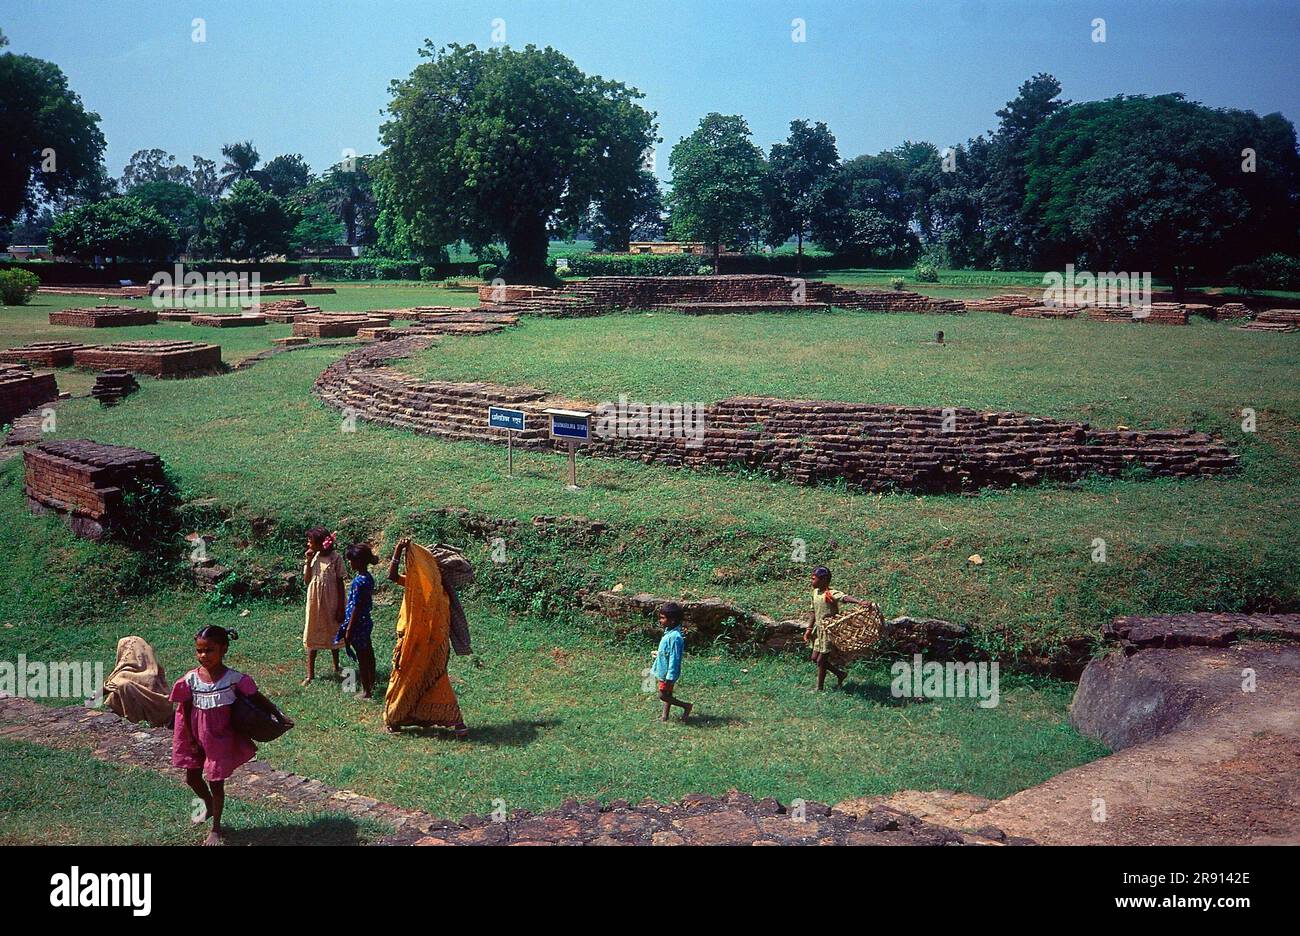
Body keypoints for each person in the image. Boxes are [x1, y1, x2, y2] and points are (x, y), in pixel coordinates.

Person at [170, 625, 292, 846]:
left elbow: (257, 698)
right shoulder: (190, 680)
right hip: (193, 735)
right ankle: (206, 804)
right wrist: (190, 739)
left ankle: (216, 828)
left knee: (216, 782)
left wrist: (278, 715)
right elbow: (184, 710)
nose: (203, 656)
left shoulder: (234, 679)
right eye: (199, 651)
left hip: (219, 738)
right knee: (192, 777)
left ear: (223, 649)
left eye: (209, 650)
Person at [384, 538, 470, 737]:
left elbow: (392, 576)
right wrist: (398, 551)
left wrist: (399, 551)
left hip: (418, 645)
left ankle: (396, 717)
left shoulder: (436, 591)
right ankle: (454, 722)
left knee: (407, 679)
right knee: (435, 681)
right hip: (425, 645)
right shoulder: (429, 588)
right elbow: (392, 576)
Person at [805, 566, 870, 690]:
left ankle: (819, 688)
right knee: (814, 658)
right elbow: (813, 611)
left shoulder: (830, 594)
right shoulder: (815, 593)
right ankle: (840, 674)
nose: (811, 581)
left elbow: (843, 597)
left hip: (829, 632)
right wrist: (809, 629)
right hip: (818, 632)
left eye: (814, 579)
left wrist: (859, 602)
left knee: (821, 661)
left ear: (823, 580)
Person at [302, 527, 345, 686]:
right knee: (312, 632)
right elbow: (307, 580)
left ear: (321, 544)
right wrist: (307, 561)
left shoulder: (336, 558)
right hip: (315, 603)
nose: (308, 543)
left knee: (333, 631)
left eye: (310, 541)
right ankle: (310, 674)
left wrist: (341, 607)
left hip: (331, 602)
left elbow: (340, 583)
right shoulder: (313, 557)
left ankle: (336, 667)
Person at [336, 543, 379, 698]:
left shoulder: (359, 582)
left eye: (352, 560)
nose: (350, 563)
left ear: (360, 561)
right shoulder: (367, 578)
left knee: (362, 656)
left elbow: (356, 606)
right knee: (368, 652)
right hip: (364, 621)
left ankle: (366, 691)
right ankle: (371, 682)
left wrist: (349, 629)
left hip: (357, 623)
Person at [103, 635, 172, 727]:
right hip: (163, 714)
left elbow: (99, 694)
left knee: (121, 688)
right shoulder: (154, 669)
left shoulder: (122, 675)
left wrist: (91, 700)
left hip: (140, 718)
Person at [651, 602, 692, 722]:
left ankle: (686, 706)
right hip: (664, 670)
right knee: (668, 693)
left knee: (663, 695)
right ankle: (664, 716)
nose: (660, 620)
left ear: (672, 620)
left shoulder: (675, 637)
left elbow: (675, 657)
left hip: (667, 673)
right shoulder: (669, 633)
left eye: (663, 618)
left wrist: (670, 675)